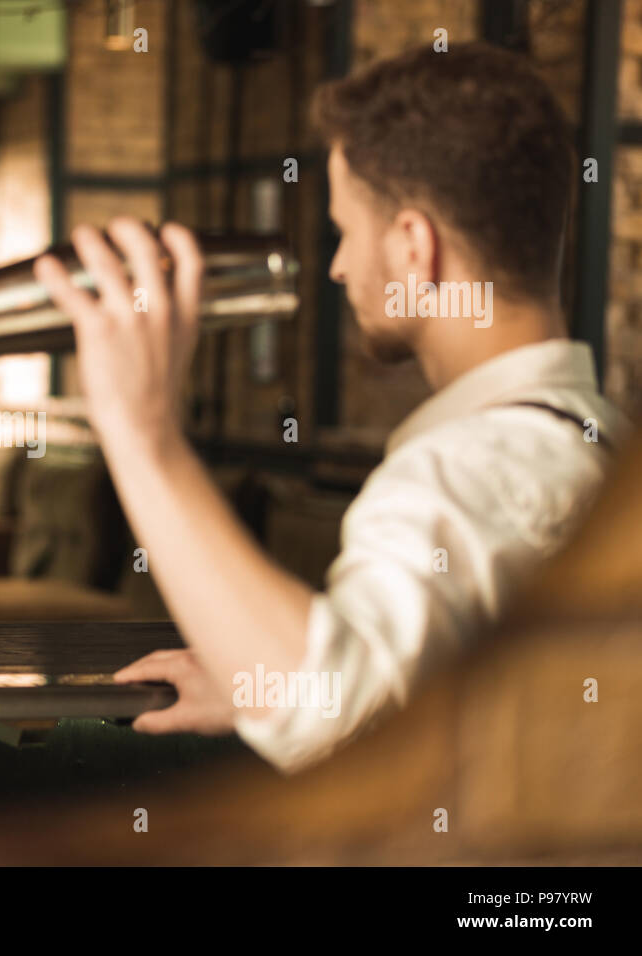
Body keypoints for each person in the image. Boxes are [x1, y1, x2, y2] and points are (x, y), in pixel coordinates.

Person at [33, 42, 632, 773]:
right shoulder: (603, 444)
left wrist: (140, 431)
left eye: (346, 230)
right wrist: (258, 674)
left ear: (414, 247)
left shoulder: (467, 468)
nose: (341, 266)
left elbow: (330, 707)